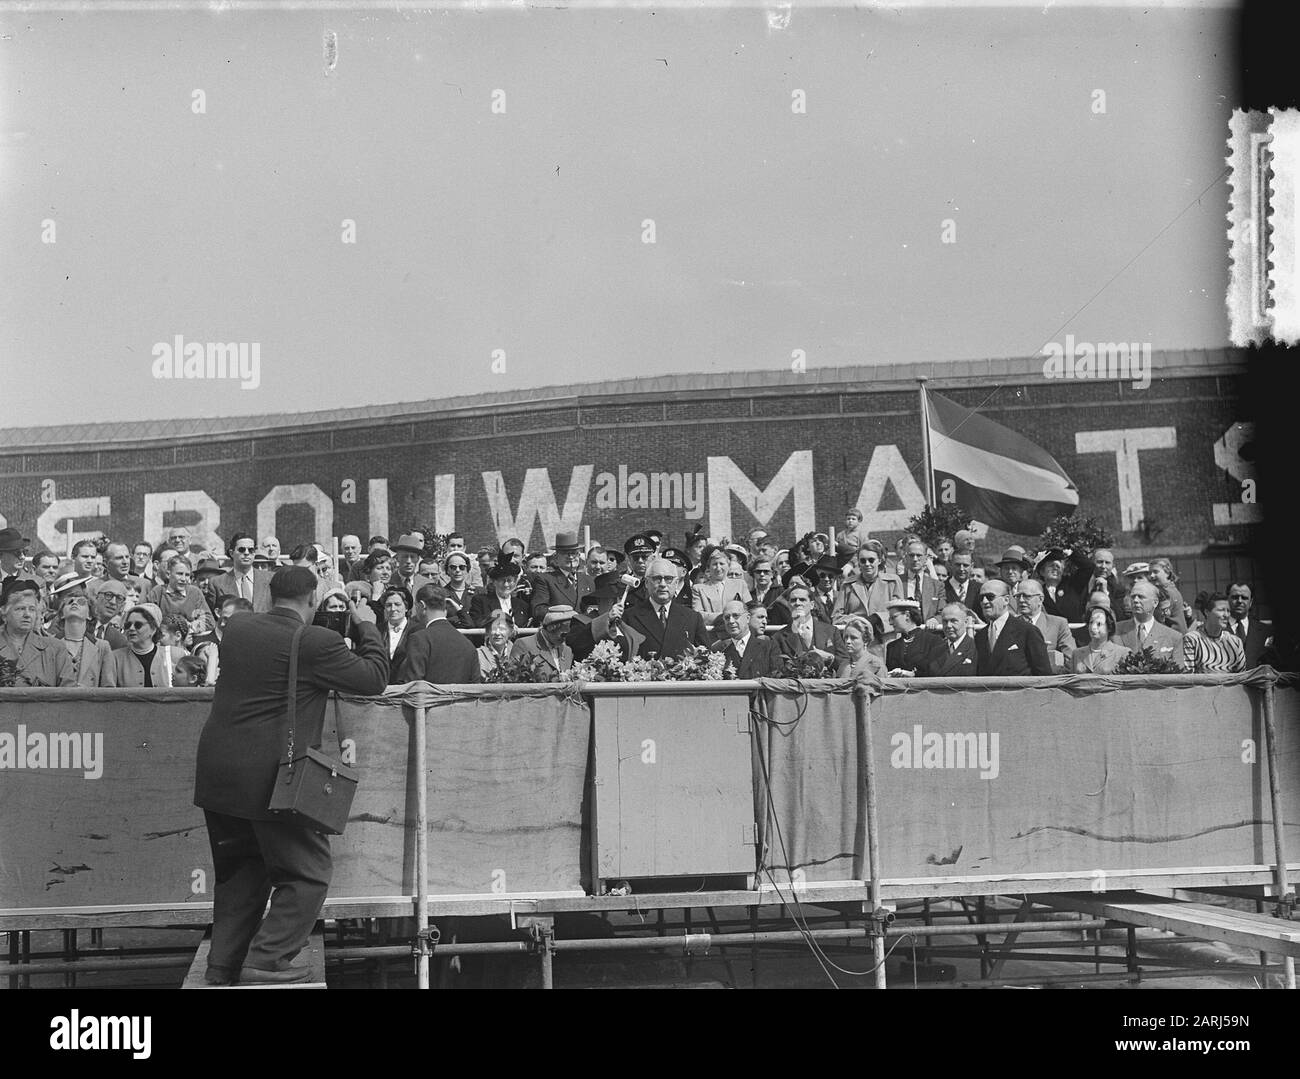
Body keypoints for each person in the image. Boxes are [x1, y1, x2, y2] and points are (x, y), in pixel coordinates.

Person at [193, 566, 386, 985]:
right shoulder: (316, 641)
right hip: (272, 777)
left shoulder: (238, 628)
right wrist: (367, 625)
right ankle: (266, 960)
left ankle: (222, 966)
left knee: (240, 874)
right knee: (307, 873)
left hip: (217, 773)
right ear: (313, 599)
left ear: (269, 595)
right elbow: (374, 678)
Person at [622, 557, 712, 660]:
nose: (663, 584)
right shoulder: (629, 617)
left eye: (668, 579)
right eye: (657, 578)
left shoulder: (693, 618)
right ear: (646, 583)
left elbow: (705, 657)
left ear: (676, 583)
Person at [396, 584, 482, 684]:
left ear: (422, 605)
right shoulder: (468, 645)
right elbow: (475, 686)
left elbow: (413, 685)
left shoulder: (419, 639)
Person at [0, 578, 75, 686]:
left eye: (32, 609)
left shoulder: (55, 648)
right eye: (20, 609)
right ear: (4, 613)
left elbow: (69, 691)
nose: (27, 615)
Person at [50, 575, 117, 687]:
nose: (74, 603)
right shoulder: (49, 644)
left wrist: (87, 693)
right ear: (61, 614)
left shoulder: (102, 647)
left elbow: (109, 687)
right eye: (70, 601)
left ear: (89, 614)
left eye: (81, 602)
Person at [974, 580, 1051, 676]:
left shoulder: (1027, 631)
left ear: (1006, 600)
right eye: (981, 598)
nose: (984, 601)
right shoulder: (980, 637)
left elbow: (1043, 674)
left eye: (990, 597)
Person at [1115, 580, 1184, 667]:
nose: (1135, 600)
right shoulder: (1115, 631)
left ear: (1155, 603)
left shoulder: (1173, 637)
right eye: (1133, 597)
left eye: (1141, 597)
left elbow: (1178, 672)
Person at [1014, 578, 1074, 672]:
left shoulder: (1058, 624)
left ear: (1040, 599)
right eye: (1018, 596)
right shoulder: (1011, 624)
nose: (1021, 600)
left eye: (1026, 596)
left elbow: (1071, 659)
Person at [529, 532, 591, 623]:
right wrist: (565, 615)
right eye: (565, 553)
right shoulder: (546, 580)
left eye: (574, 553)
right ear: (556, 557)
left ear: (579, 555)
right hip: (560, 629)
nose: (571, 557)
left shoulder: (589, 580)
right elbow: (539, 610)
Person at [712, 599, 781, 678]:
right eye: (727, 617)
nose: (731, 621)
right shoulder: (718, 650)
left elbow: (776, 677)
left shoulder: (769, 647)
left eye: (736, 616)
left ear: (748, 618)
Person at [109, 603, 174, 687]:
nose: (131, 628)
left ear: (153, 629)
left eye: (138, 625)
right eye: (128, 625)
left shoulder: (171, 655)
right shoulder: (115, 658)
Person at [1182, 593, 1246, 673]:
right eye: (1221, 610)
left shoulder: (1235, 642)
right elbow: (1188, 676)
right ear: (1207, 612)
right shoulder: (1192, 639)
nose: (1226, 615)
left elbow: (1243, 676)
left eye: (1228, 611)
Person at [882, 598, 946, 677]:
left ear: (907, 615)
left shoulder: (933, 641)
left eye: (893, 617)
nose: (890, 623)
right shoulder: (892, 647)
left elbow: (937, 673)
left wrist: (913, 674)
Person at [511, 605, 577, 681]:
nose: (565, 638)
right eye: (563, 634)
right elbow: (513, 679)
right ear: (550, 628)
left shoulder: (567, 650)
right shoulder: (524, 645)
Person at [691, 545, 750, 629]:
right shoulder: (699, 588)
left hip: (737, 631)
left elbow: (749, 609)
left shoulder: (740, 585)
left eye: (722, 564)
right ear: (709, 567)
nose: (718, 568)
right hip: (712, 633)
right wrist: (726, 617)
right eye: (714, 564)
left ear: (728, 566)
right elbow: (698, 615)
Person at [1071, 606, 1131, 674]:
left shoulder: (1122, 653)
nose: (1093, 627)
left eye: (1099, 624)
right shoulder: (1076, 654)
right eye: (1091, 622)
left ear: (1109, 627)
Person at [1226, 582, 1268, 667]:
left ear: (1251, 602)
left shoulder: (1266, 631)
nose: (1239, 601)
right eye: (1235, 597)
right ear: (1227, 600)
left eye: (1244, 598)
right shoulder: (1216, 629)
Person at [380, 586, 416, 683]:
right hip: (381, 684)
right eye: (388, 605)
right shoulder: (378, 630)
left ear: (406, 607)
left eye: (397, 604)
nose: (393, 609)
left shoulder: (417, 630)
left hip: (407, 685)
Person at [932, 603, 979, 676]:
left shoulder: (976, 648)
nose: (948, 625)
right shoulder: (935, 651)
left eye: (953, 621)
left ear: (966, 622)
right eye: (945, 621)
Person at [835, 614, 885, 680]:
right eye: (846, 637)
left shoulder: (876, 664)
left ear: (865, 640)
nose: (848, 641)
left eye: (853, 638)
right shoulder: (843, 664)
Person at [1149, 558, 1188, 633]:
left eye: (1155, 572)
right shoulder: (1172, 588)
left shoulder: (1165, 593)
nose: (1151, 575)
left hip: (1173, 636)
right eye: (1150, 573)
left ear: (1167, 573)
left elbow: (1159, 620)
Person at [477, 610, 518, 678]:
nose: (497, 633)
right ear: (487, 631)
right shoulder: (477, 655)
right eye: (493, 628)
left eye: (502, 629)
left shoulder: (517, 652)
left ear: (510, 631)